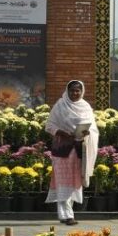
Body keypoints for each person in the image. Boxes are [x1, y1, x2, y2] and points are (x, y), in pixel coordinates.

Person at [44, 80, 99, 225]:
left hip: (79, 150)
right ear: (67, 91)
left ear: (82, 91)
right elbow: (49, 126)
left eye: (78, 91)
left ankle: (67, 214)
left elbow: (93, 129)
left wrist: (87, 133)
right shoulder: (60, 105)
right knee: (63, 181)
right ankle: (67, 215)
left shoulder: (86, 107)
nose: (75, 93)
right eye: (72, 90)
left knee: (74, 181)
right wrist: (62, 133)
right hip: (62, 150)